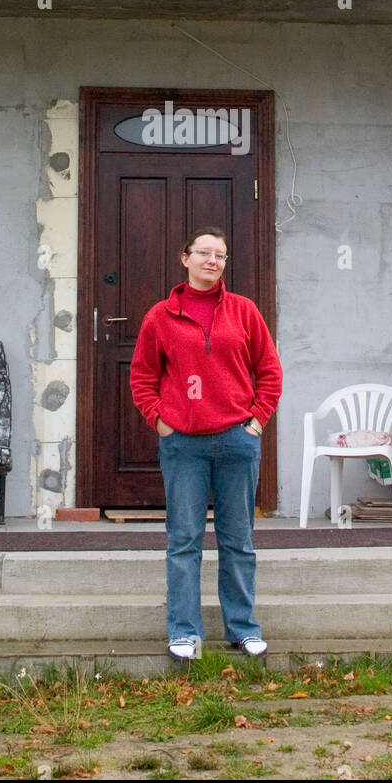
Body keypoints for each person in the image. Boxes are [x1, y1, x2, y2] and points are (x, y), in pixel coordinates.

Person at [129, 227, 282, 661]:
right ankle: (184, 632)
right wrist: (160, 421)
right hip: (184, 445)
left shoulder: (244, 311)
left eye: (220, 255)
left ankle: (243, 628)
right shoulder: (161, 315)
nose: (212, 261)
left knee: (238, 539)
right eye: (204, 253)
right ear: (185, 259)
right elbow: (142, 376)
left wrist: (256, 422)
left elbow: (270, 371)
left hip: (237, 440)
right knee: (184, 539)